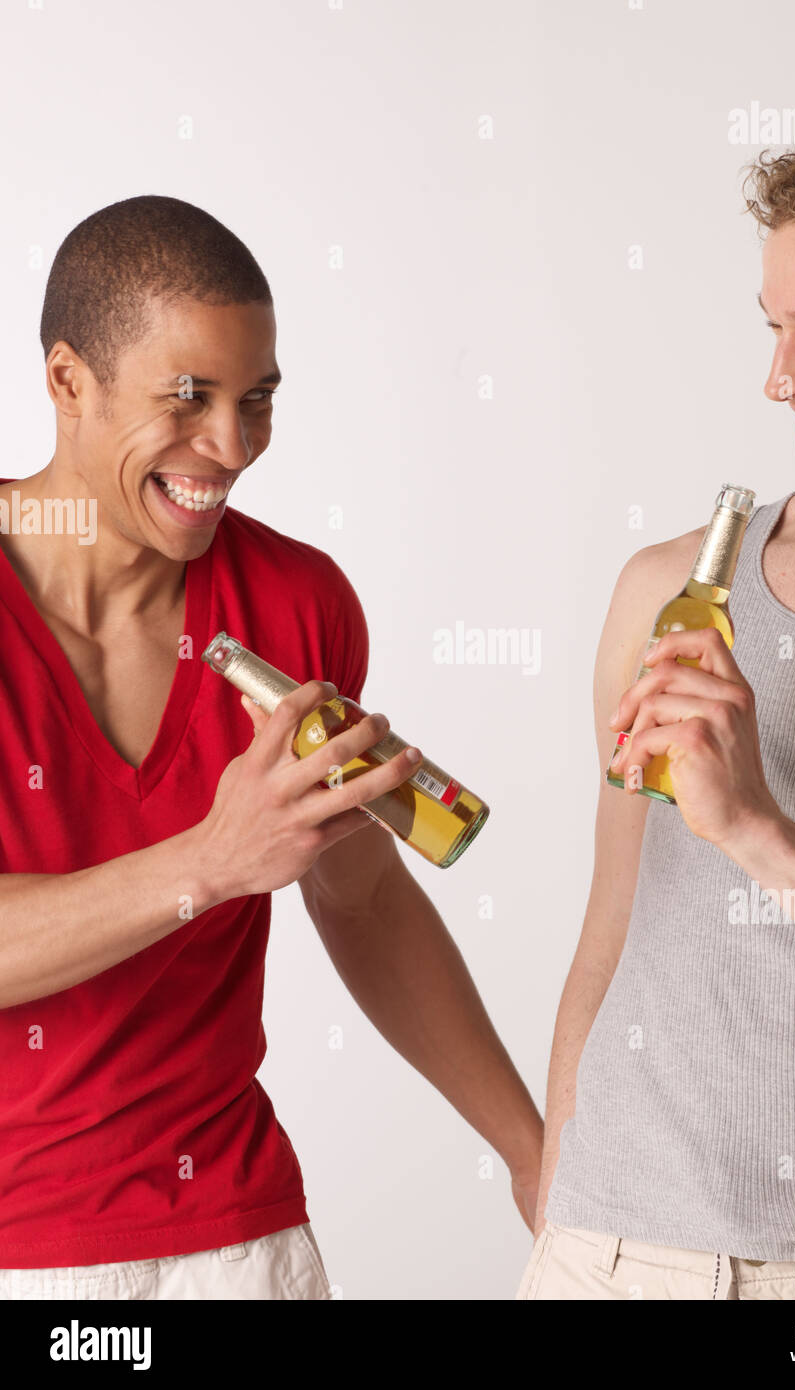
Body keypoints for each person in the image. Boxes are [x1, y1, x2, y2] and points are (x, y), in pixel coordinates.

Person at [0, 195, 542, 1301]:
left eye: (257, 402)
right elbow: (222, 862)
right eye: (188, 401)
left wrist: (530, 1151)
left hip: (239, 1242)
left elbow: (363, 898)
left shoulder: (297, 602)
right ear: (68, 382)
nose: (232, 448)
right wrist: (210, 861)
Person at [521, 81, 795, 1301]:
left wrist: (759, 829)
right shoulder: (666, 590)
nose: (781, 380)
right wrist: (562, 1215)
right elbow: (608, 937)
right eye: (772, 328)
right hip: (617, 1252)